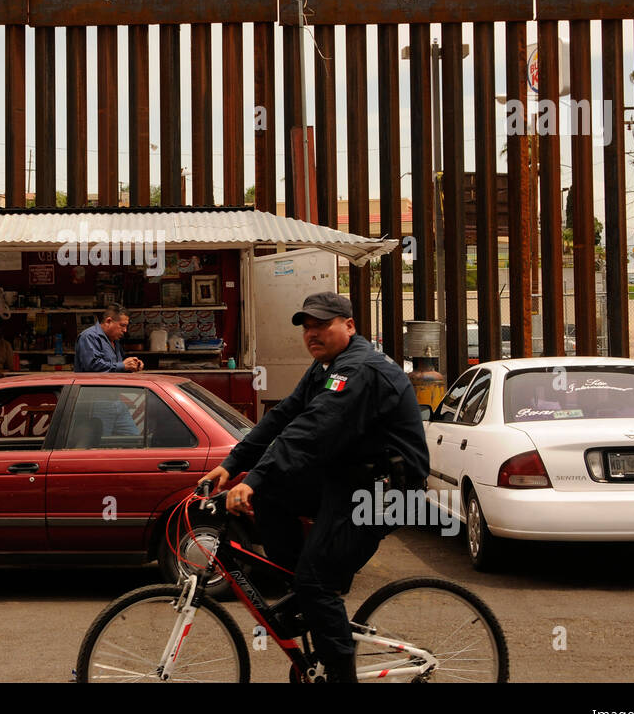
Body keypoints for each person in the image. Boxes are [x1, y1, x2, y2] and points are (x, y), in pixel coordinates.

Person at [199, 292, 429, 683]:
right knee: (275, 498)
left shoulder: (358, 370)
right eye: (306, 327)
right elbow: (283, 418)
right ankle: (309, 596)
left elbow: (308, 433)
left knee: (316, 579)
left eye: (322, 325)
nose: (312, 334)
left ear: (350, 325)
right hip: (349, 480)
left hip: (388, 492)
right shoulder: (325, 366)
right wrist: (231, 465)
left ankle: (338, 670)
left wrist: (253, 480)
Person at [75, 304, 144, 373]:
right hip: (96, 383)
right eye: (122, 325)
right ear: (108, 321)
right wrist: (123, 366)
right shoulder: (89, 336)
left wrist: (133, 364)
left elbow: (120, 365)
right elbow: (92, 366)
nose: (125, 330)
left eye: (126, 326)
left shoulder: (115, 340)